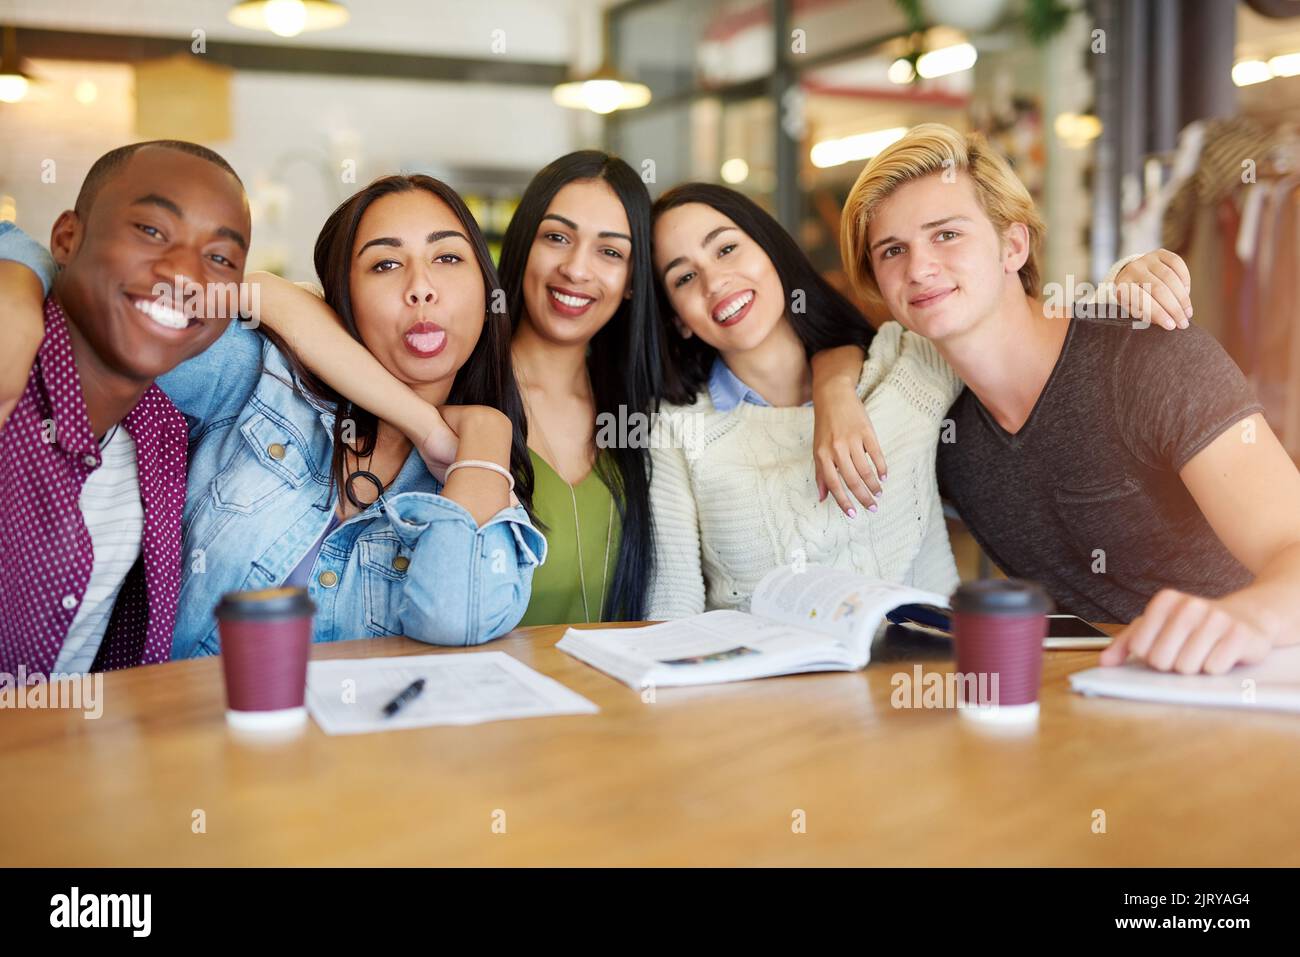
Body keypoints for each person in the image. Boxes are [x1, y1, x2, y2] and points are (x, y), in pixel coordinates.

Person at [0, 173, 546, 656]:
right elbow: (99, 291)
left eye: (447, 258)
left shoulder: (481, 478)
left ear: (486, 286)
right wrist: (18, 291)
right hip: (186, 749)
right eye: (384, 264)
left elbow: (456, 617)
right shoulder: (255, 375)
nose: (421, 289)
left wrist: (488, 440)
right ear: (339, 299)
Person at [833, 122, 1300, 674]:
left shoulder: (1144, 356)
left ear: (1012, 245)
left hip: (1254, 679)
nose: (919, 267)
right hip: (1100, 694)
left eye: (947, 234)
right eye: (892, 250)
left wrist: (1247, 620)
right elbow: (817, 343)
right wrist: (833, 387)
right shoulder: (936, 418)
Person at [0, 140, 250, 674]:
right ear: (67, 238)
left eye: (220, 258)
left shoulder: (162, 432)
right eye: (152, 230)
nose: (185, 273)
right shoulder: (8, 375)